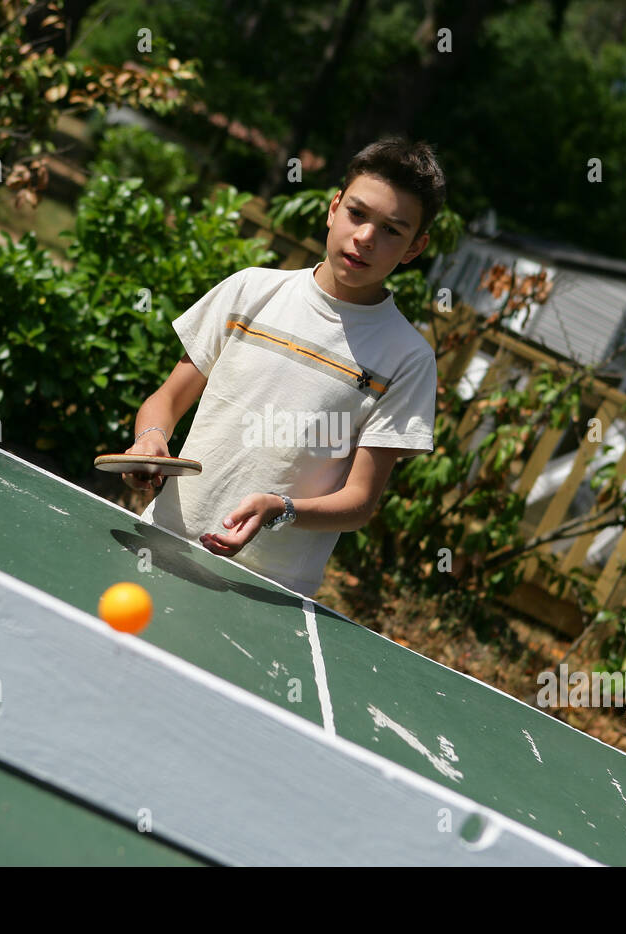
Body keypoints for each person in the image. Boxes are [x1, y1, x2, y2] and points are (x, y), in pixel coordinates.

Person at [122, 137, 445, 597]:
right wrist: (150, 439)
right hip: (161, 541)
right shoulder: (250, 290)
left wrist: (282, 508)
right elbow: (167, 400)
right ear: (334, 208)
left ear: (415, 247)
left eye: (393, 230)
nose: (367, 237)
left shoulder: (409, 358)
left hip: (269, 589)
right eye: (357, 213)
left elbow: (359, 503)